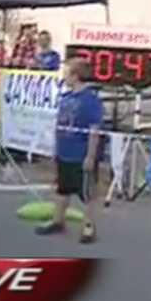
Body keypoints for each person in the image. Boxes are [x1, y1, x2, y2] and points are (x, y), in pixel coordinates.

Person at [36, 57, 104, 243]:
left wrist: (90, 156)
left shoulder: (90, 101)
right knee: (62, 189)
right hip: (64, 150)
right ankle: (58, 221)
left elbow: (94, 130)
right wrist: (54, 150)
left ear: (76, 76)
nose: (64, 77)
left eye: (67, 73)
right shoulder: (66, 98)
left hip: (80, 153)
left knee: (87, 193)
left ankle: (88, 227)